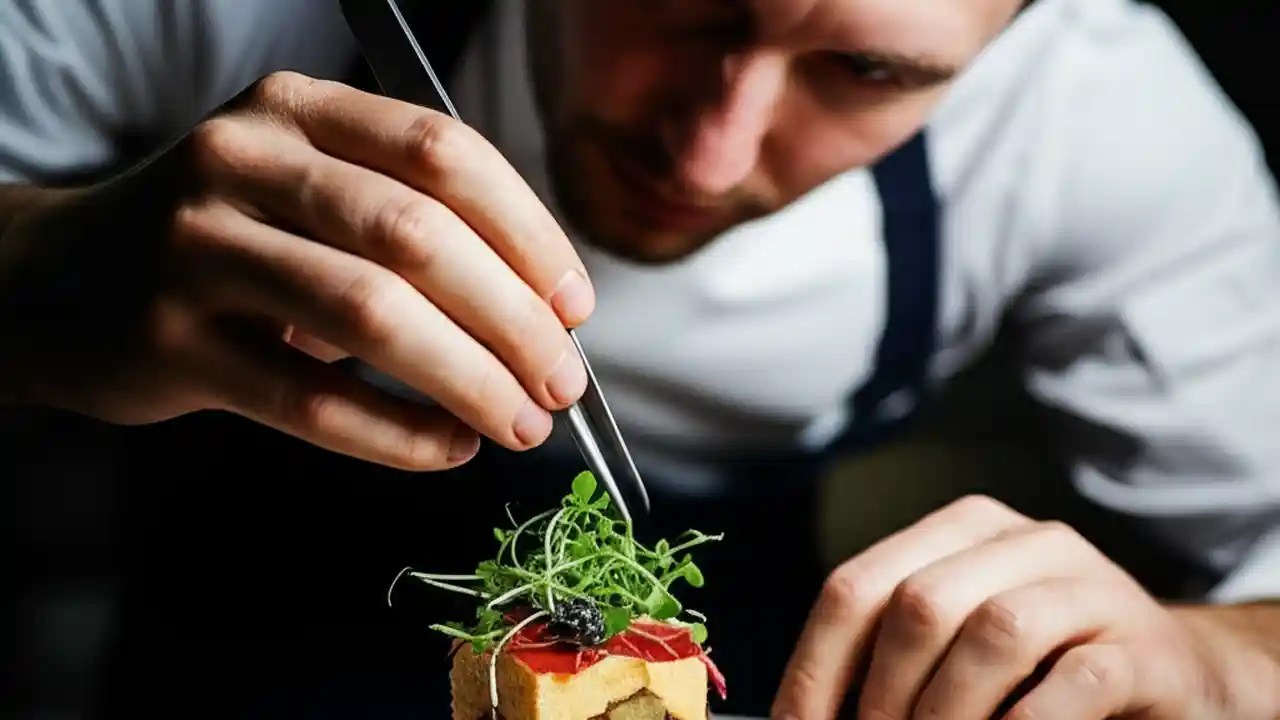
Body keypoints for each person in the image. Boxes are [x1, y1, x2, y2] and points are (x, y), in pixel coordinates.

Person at [1, 0, 1278, 717]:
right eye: (683, 4)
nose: (708, 154)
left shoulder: (1105, 125)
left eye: (867, 73)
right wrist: (35, 280)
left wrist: (1209, 662)